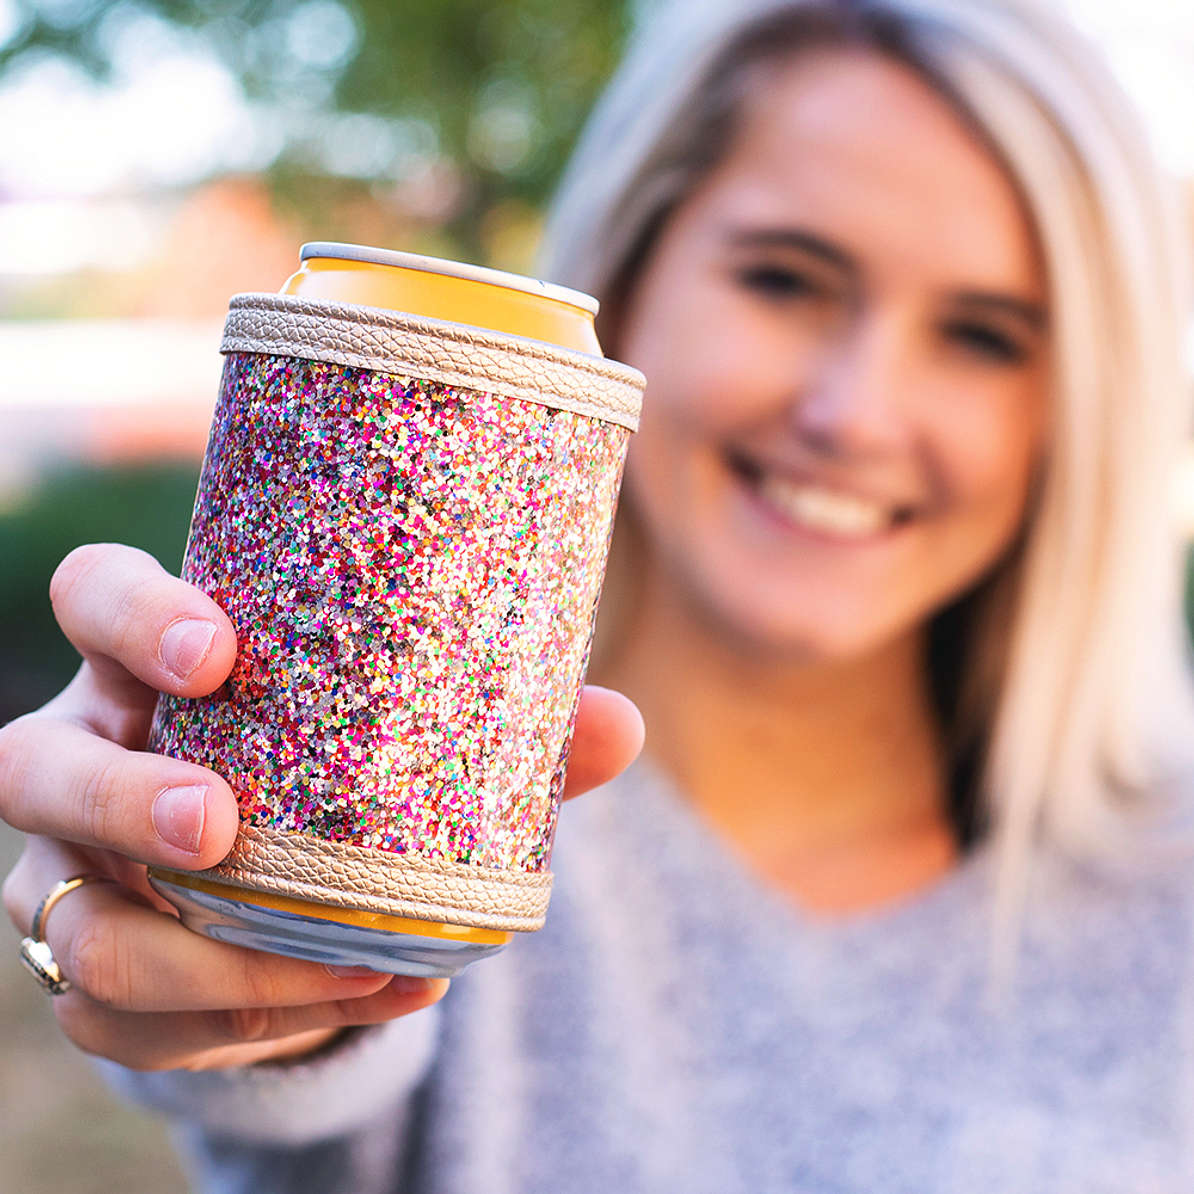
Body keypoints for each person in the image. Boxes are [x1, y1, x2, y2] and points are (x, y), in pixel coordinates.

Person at [4, 0, 1194, 1188]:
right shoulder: (425, 798)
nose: (856, 412)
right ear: (627, 279)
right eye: (786, 279)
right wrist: (221, 948)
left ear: (1079, 411)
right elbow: (299, 1091)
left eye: (984, 337)